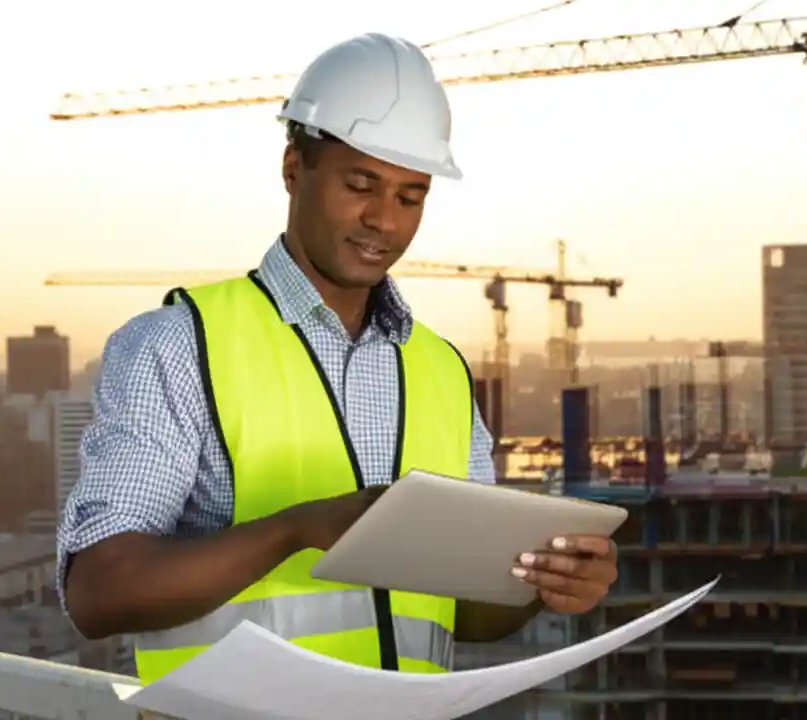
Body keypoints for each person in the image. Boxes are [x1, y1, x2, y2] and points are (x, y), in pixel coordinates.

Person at [56, 32, 619, 684]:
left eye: (411, 197)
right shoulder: (179, 346)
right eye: (361, 185)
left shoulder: (439, 370)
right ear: (294, 168)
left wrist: (540, 583)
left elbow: (463, 614)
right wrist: (297, 529)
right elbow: (99, 592)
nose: (384, 219)